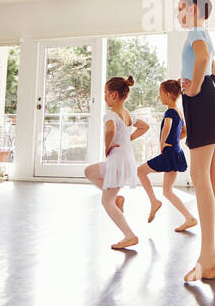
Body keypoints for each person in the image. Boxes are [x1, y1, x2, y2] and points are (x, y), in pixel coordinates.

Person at [177, 0, 215, 281]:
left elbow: (202, 60)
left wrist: (195, 87)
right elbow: (214, 68)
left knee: (201, 178)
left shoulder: (196, 33)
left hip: (202, 101)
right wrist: (195, 80)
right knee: (213, 177)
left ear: (193, 9)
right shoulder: (205, 34)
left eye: (180, 8)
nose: (178, 14)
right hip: (213, 101)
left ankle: (208, 254)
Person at [83, 76, 150, 250]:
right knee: (89, 172)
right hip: (126, 160)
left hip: (117, 161)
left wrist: (108, 146)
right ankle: (117, 198)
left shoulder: (110, 115)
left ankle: (130, 236)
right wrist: (129, 137)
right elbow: (144, 126)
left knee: (107, 202)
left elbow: (110, 130)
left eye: (105, 93)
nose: (104, 96)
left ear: (113, 95)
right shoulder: (127, 114)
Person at [137, 79, 198, 232]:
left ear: (169, 94)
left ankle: (153, 201)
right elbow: (185, 131)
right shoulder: (179, 112)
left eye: (161, 94)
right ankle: (189, 218)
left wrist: (163, 143)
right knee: (167, 190)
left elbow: (168, 126)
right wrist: (175, 140)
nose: (159, 98)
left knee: (140, 171)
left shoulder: (170, 112)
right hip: (176, 152)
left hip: (169, 153)